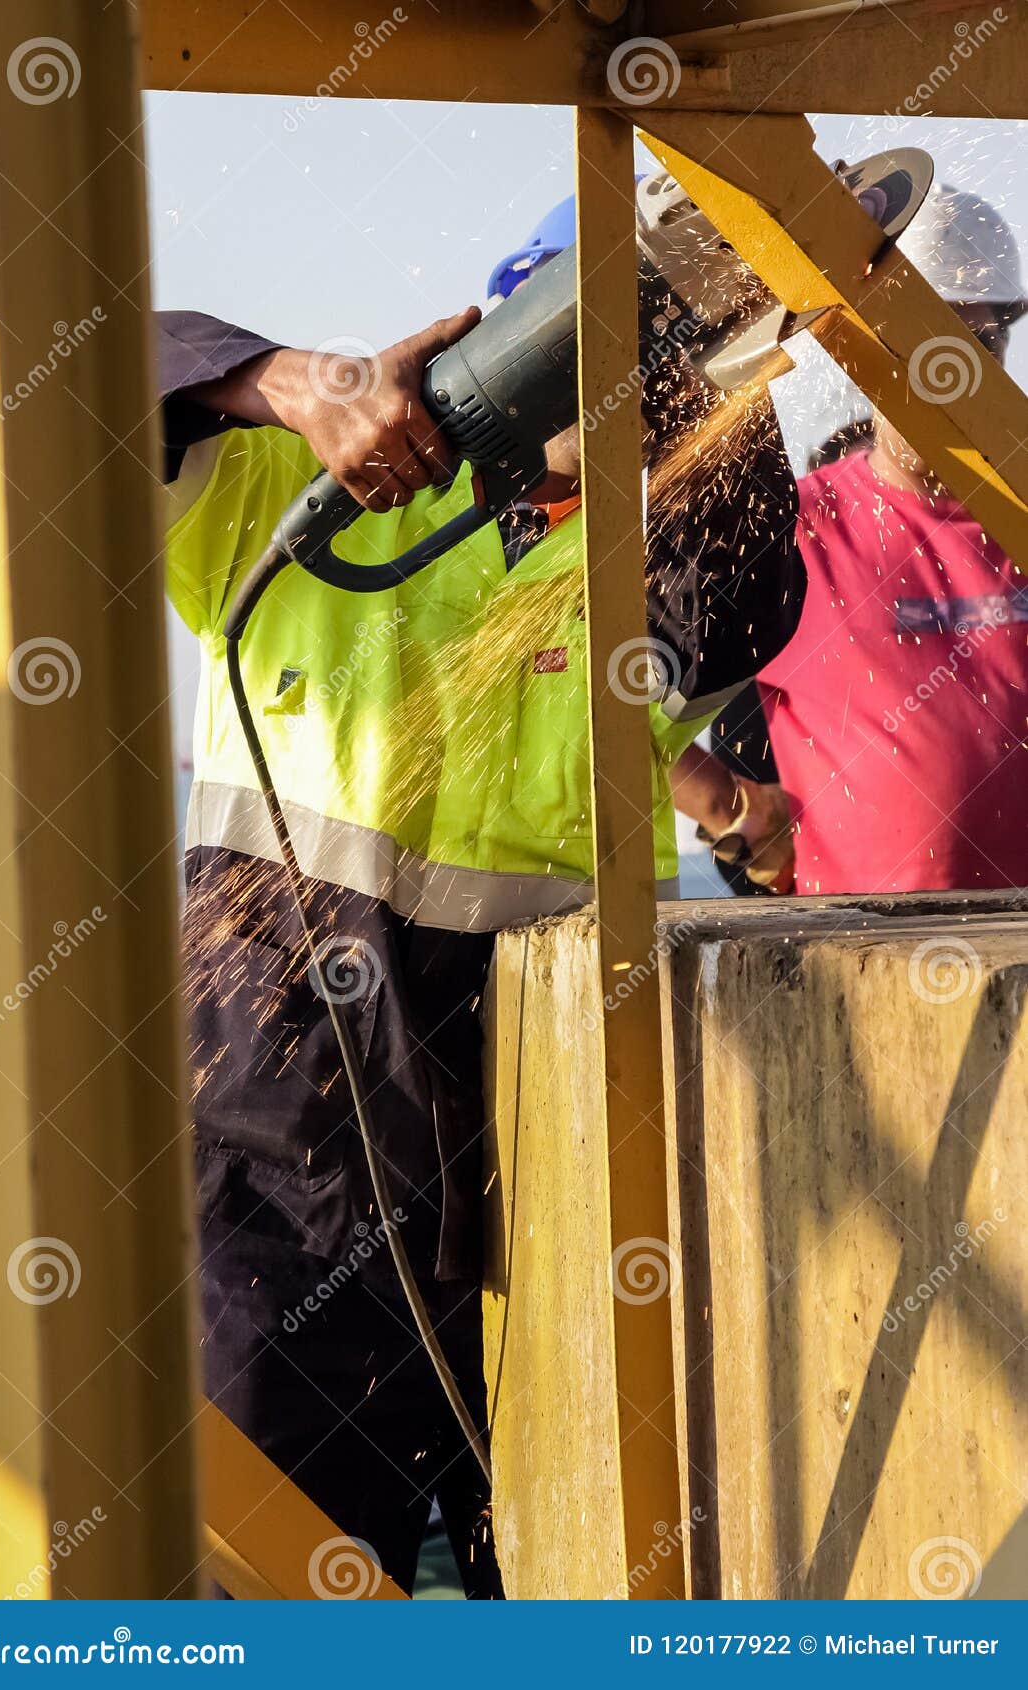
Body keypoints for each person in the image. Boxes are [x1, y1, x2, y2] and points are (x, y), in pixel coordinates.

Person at [156, 182, 803, 1595]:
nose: (625, 382)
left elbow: (744, 599)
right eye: (594, 339)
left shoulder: (637, 565)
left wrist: (742, 368)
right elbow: (65, 390)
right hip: (266, 1180)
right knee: (271, 1574)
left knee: (547, 1580)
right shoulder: (296, 492)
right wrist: (278, 381)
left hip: (520, 1201)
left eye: (656, 353)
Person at [676, 186, 1028, 900]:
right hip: (867, 964)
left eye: (977, 341)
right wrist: (733, 810)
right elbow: (612, 696)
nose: (945, 372)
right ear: (865, 350)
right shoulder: (793, 531)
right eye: (915, 341)